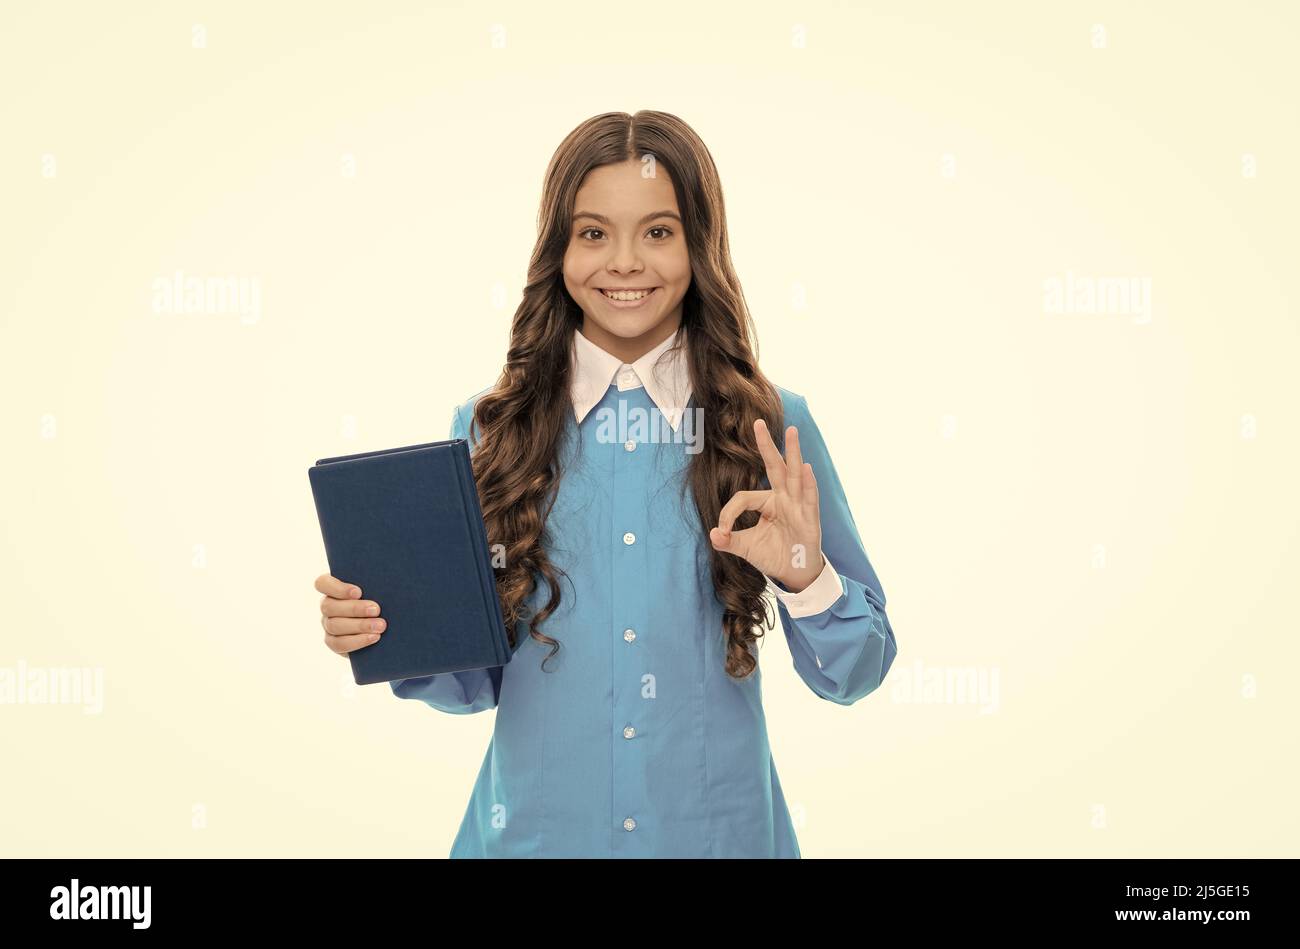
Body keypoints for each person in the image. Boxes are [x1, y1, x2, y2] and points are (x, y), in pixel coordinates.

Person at [314, 110, 898, 858]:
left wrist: (805, 577)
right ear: (558, 249)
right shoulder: (488, 426)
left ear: (700, 246)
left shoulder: (767, 423)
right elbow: (474, 682)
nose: (625, 262)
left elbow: (856, 671)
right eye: (593, 233)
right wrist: (386, 628)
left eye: (658, 231)